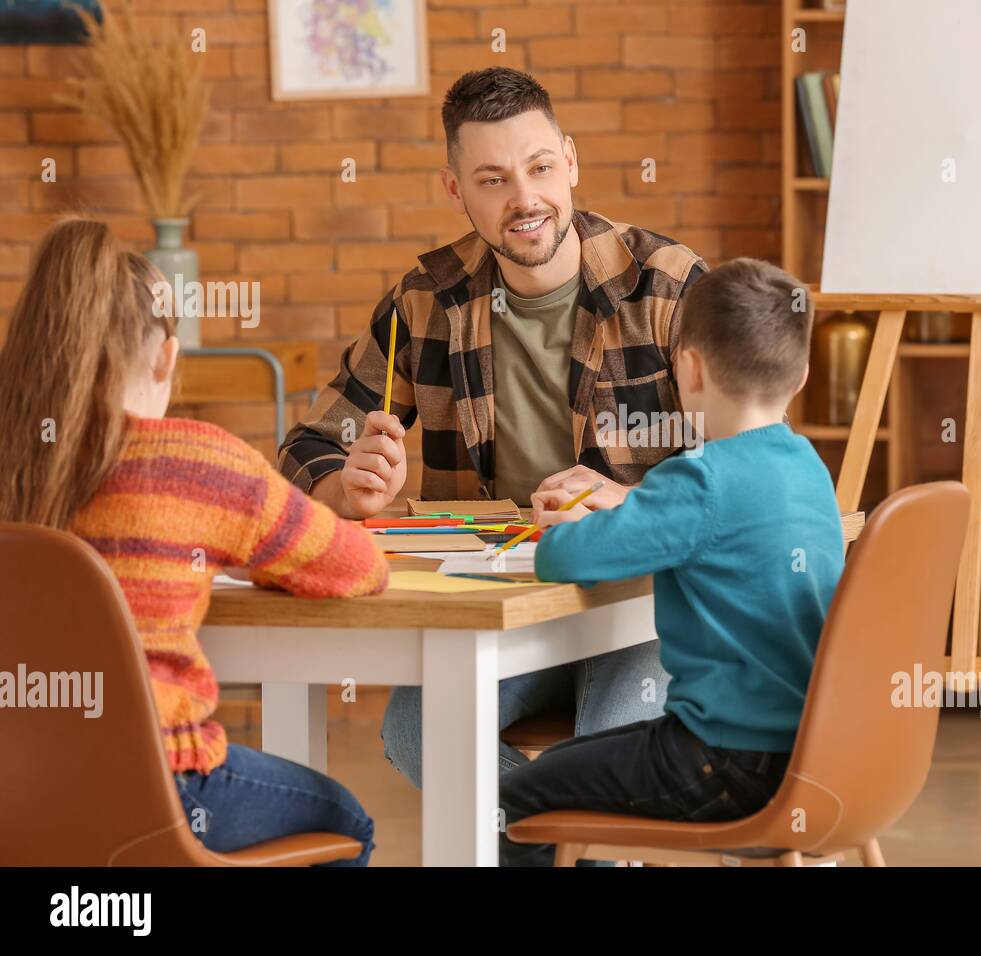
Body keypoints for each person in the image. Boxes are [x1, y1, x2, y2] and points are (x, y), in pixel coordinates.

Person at [275, 67, 708, 783]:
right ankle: (572, 852)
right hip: (505, 610)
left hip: (644, 604)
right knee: (420, 735)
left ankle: (584, 840)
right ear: (456, 190)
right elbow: (310, 445)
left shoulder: (667, 285)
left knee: (612, 753)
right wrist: (341, 492)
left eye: (539, 168)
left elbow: (747, 462)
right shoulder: (425, 301)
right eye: (492, 179)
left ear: (569, 160)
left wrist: (635, 505)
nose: (525, 199)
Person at [0, 219, 388, 865]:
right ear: (166, 356)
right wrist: (263, 560)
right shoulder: (197, 464)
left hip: (18, 791)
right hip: (161, 788)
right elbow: (358, 567)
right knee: (347, 821)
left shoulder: (16, 458)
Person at [499, 258, 846, 866]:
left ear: (687, 367)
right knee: (572, 764)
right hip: (814, 758)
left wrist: (569, 528)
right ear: (801, 376)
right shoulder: (809, 468)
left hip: (725, 761)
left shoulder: (700, 479)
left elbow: (564, 558)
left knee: (513, 798)